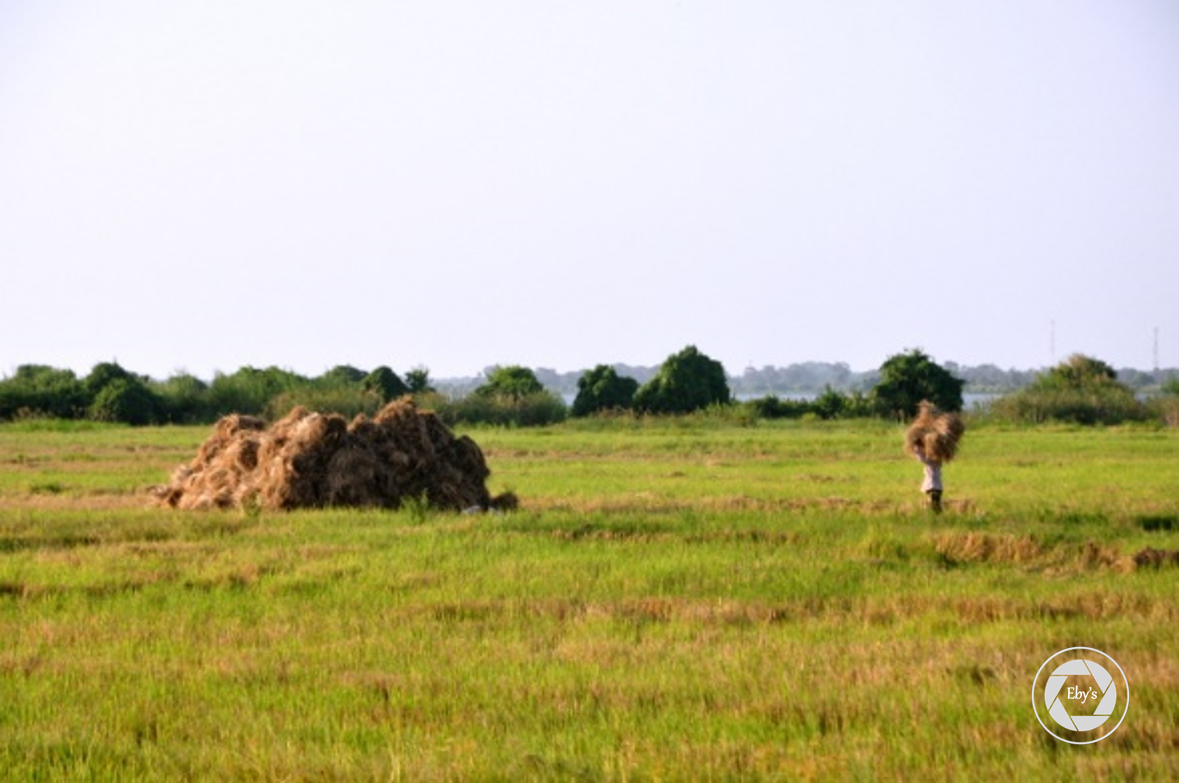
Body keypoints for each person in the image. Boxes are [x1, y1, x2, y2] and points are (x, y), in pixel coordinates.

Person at [912, 442, 943, 513]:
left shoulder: (932, 461)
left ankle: (934, 515)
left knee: (934, 504)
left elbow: (922, 458)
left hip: (933, 486)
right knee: (935, 504)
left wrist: (916, 447)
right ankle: (936, 515)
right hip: (936, 486)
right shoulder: (938, 460)